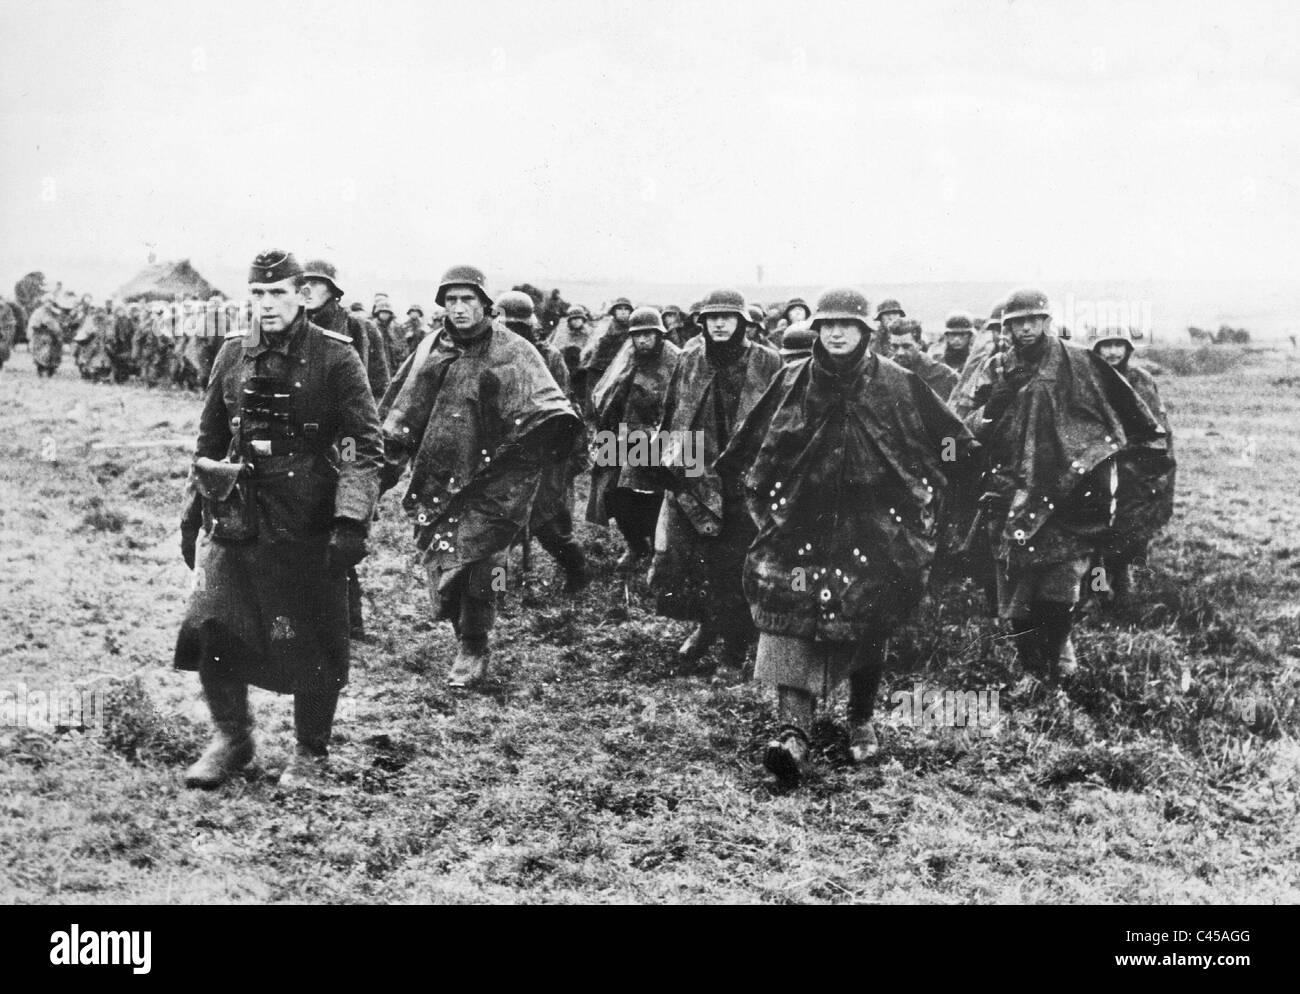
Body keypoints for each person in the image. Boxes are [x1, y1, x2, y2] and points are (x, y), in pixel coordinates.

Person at [717, 287, 975, 780]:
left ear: (865, 332)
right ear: (817, 330)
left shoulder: (899, 383)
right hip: (797, 528)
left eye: (847, 325)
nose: (836, 333)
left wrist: (925, 488)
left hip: (876, 530)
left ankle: (860, 720)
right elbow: (746, 448)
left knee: (867, 622)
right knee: (785, 619)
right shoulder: (790, 381)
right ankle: (793, 733)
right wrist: (767, 507)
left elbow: (953, 443)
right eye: (827, 325)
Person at [175, 249, 383, 789]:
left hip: (306, 517)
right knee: (211, 623)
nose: (266, 304)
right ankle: (232, 738)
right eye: (258, 294)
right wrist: (194, 510)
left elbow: (364, 446)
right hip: (237, 513)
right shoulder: (232, 354)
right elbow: (210, 439)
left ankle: (310, 751)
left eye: (277, 293)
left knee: (312, 634)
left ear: (301, 294)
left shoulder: (335, 357)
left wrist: (350, 519)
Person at [379, 265, 581, 688]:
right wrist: (379, 472)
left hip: (498, 484)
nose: (458, 308)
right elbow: (400, 412)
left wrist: (525, 456)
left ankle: (475, 644)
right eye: (450, 300)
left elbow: (553, 414)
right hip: (438, 481)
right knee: (444, 567)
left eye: (467, 299)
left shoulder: (516, 350)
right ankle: (463, 632)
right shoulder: (429, 347)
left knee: (485, 566)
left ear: (486, 304)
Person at [971, 289, 1166, 686]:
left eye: (1033, 320)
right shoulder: (996, 369)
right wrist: (991, 411)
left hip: (1069, 492)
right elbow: (965, 425)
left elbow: (1137, 419)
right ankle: (1030, 668)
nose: (1025, 328)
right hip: (1011, 492)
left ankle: (1058, 660)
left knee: (1060, 588)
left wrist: (1117, 467)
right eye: (1016, 322)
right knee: (1016, 594)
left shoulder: (1084, 364)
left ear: (1047, 321)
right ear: (1006, 326)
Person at [650, 289, 782, 669]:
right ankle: (707, 627)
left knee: (736, 563)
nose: (720, 323)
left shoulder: (768, 362)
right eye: (713, 317)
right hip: (696, 473)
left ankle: (734, 645)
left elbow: (782, 422)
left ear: (743, 322)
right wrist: (662, 464)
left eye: (728, 317)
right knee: (693, 562)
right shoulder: (689, 360)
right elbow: (672, 413)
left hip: (746, 478)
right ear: (703, 322)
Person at [298, 259, 391, 640]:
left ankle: (350, 621)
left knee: (345, 522)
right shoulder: (294, 327)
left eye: (315, 285)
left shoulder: (359, 328)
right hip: (308, 443)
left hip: (350, 438)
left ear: (333, 291)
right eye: (301, 284)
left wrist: (366, 428)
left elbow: (380, 384)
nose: (306, 292)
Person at [496, 290, 589, 593]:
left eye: (518, 327)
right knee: (498, 527)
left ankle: (578, 571)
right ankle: (494, 587)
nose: (512, 334)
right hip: (506, 452)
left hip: (549, 450)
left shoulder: (549, 357)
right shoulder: (492, 355)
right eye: (506, 326)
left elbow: (559, 407)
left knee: (547, 523)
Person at [586, 305, 681, 572]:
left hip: (663, 438)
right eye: (638, 335)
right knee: (612, 494)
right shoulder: (627, 358)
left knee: (655, 497)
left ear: (659, 334)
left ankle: (658, 549)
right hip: (624, 435)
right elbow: (610, 399)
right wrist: (603, 437)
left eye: (649, 334)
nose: (643, 340)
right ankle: (635, 545)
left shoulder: (676, 360)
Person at [1089, 327, 1176, 606]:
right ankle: (1098, 590)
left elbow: (1155, 428)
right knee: (1095, 533)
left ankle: (1123, 585)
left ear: (1128, 349)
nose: (1113, 351)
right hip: (1096, 464)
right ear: (1096, 348)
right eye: (1106, 345)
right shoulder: (1087, 378)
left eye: (1119, 345)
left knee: (1129, 532)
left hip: (1134, 466)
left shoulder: (1140, 379)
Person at [881, 318, 958, 401]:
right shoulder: (884, 372)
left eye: (906, 346)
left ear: (920, 344)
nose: (900, 353)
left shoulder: (944, 375)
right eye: (895, 347)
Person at [579, 296, 634, 411]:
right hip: (599, 367)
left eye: (626, 309)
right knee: (594, 399)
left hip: (620, 368)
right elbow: (593, 345)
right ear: (614, 311)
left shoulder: (632, 328)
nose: (623, 312)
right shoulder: (605, 326)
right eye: (619, 309)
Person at [29, 291, 76, 377]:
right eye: (47, 301)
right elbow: (33, 324)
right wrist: (41, 326)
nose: (48, 304)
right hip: (41, 336)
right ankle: (41, 370)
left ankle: (51, 370)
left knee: (54, 353)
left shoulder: (55, 312)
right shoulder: (38, 312)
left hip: (54, 336)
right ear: (44, 302)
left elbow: (60, 323)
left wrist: (60, 328)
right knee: (41, 354)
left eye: (50, 302)